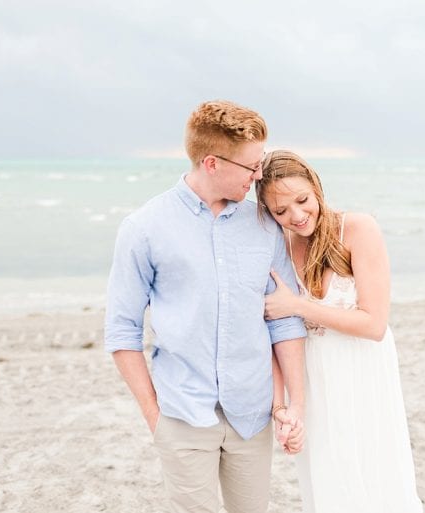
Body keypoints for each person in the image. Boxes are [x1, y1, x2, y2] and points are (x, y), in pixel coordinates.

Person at [104, 101, 307, 513]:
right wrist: (153, 415)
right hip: (181, 413)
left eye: (261, 162)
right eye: (252, 167)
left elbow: (284, 322)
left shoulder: (266, 226)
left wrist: (293, 406)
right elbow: (122, 331)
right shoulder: (144, 228)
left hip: (253, 413)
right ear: (212, 163)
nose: (259, 176)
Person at [257, 150, 423, 513]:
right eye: (280, 212)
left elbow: (374, 324)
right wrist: (283, 404)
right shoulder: (280, 246)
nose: (297, 217)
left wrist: (298, 306)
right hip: (313, 375)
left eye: (302, 201)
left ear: (315, 187)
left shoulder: (358, 228)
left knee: (372, 469)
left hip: (363, 368)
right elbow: (276, 332)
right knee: (327, 474)